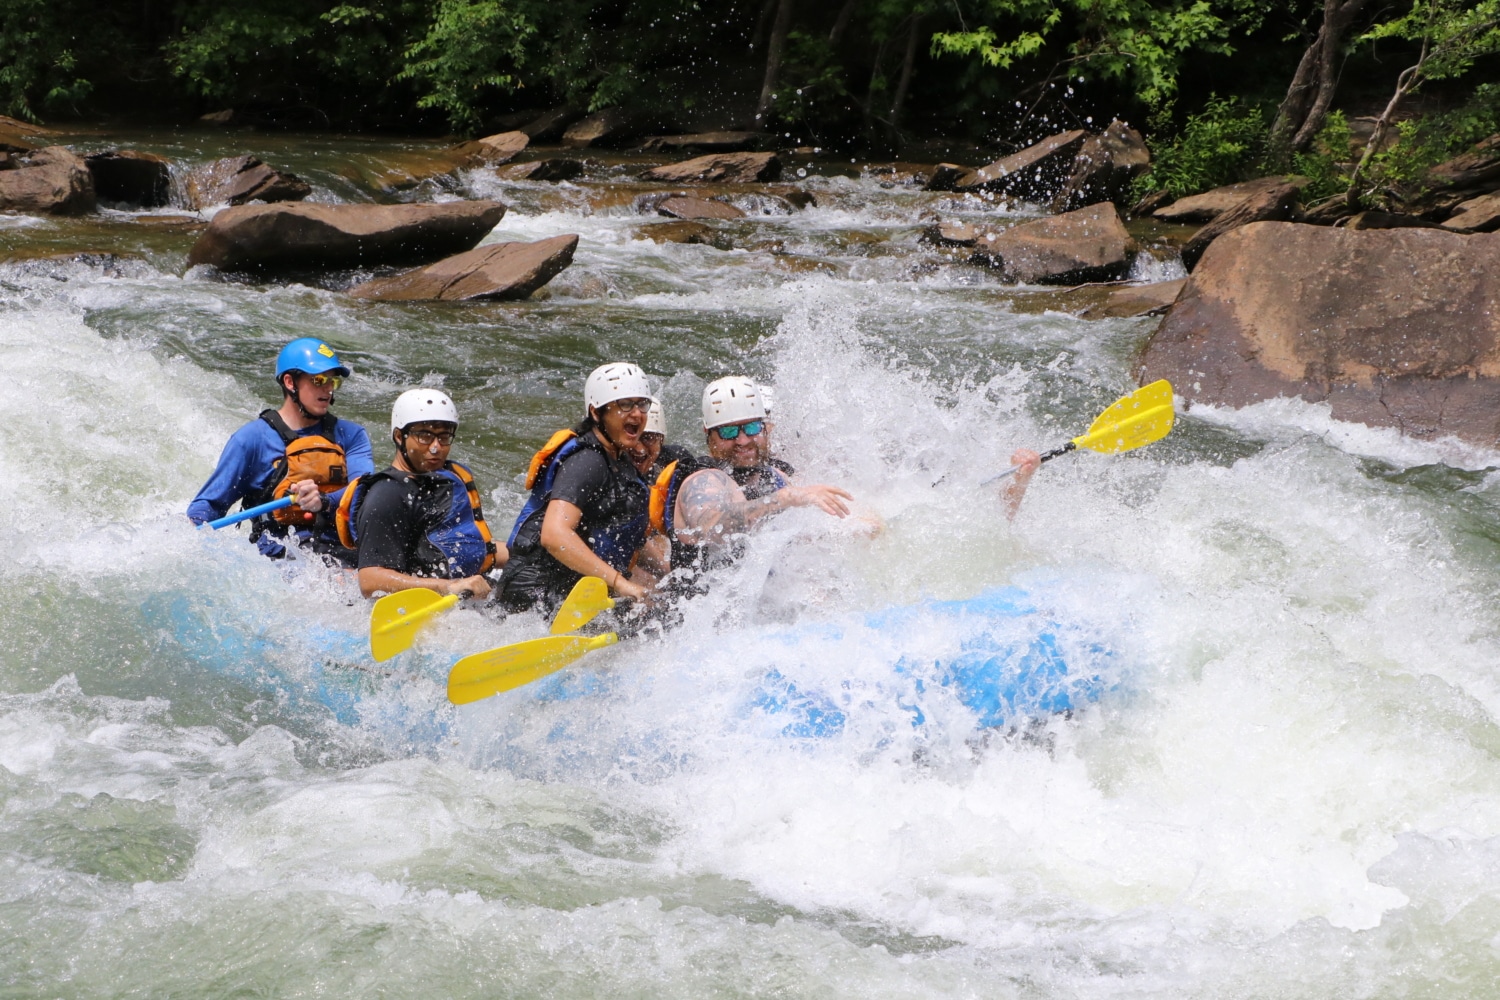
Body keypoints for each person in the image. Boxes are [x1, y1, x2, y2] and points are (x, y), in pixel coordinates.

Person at [188, 338, 374, 562]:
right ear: (289, 382)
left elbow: (363, 492)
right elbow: (208, 504)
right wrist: (192, 532)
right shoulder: (251, 440)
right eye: (318, 380)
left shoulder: (351, 435)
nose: (328, 389)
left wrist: (324, 501)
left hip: (342, 551)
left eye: (333, 381)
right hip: (279, 558)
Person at [647, 376, 853, 577]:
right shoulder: (703, 479)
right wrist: (786, 498)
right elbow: (711, 524)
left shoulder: (775, 477)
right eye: (728, 432)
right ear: (708, 434)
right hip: (703, 607)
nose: (743, 441)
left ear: (765, 428)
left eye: (752, 428)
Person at [497, 362, 657, 615]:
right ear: (596, 413)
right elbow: (554, 535)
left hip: (578, 593)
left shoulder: (620, 461)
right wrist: (620, 583)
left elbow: (623, 535)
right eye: (625, 404)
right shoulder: (587, 461)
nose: (637, 413)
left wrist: (667, 570)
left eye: (642, 404)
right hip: (535, 593)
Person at [335, 389, 501, 599]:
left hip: (465, 594)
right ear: (399, 436)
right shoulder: (386, 495)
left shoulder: (443, 481)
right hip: (415, 605)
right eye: (424, 436)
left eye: (444, 437)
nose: (435, 447)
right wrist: (449, 587)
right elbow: (370, 581)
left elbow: (473, 546)